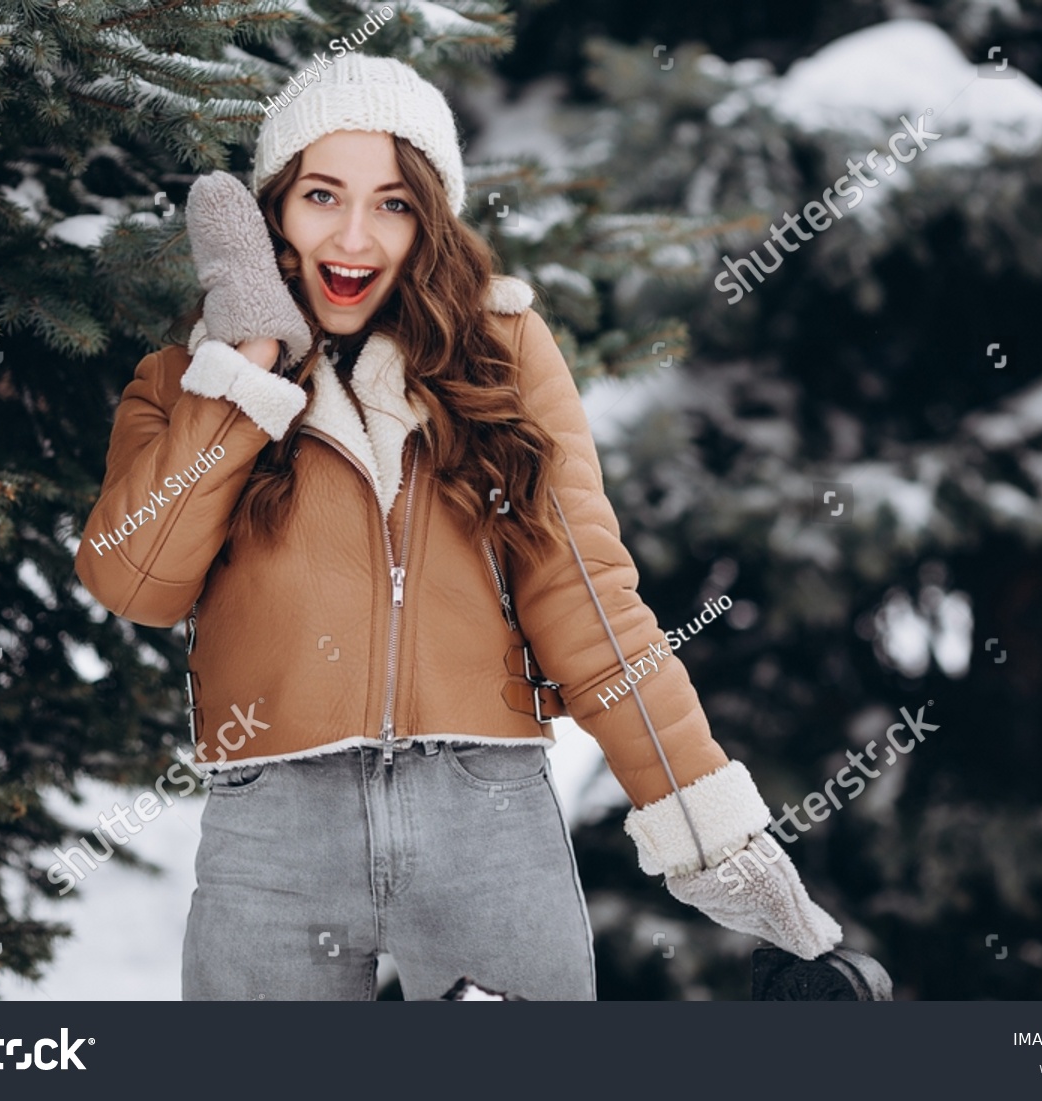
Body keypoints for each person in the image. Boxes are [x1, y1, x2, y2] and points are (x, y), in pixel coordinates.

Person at [75, 55, 841, 1001]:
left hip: (486, 820)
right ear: (274, 209)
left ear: (432, 219)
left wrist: (716, 838)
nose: (354, 237)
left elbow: (586, 599)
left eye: (394, 203)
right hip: (273, 833)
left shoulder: (500, 355)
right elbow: (131, 581)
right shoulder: (183, 383)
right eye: (321, 195)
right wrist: (248, 367)